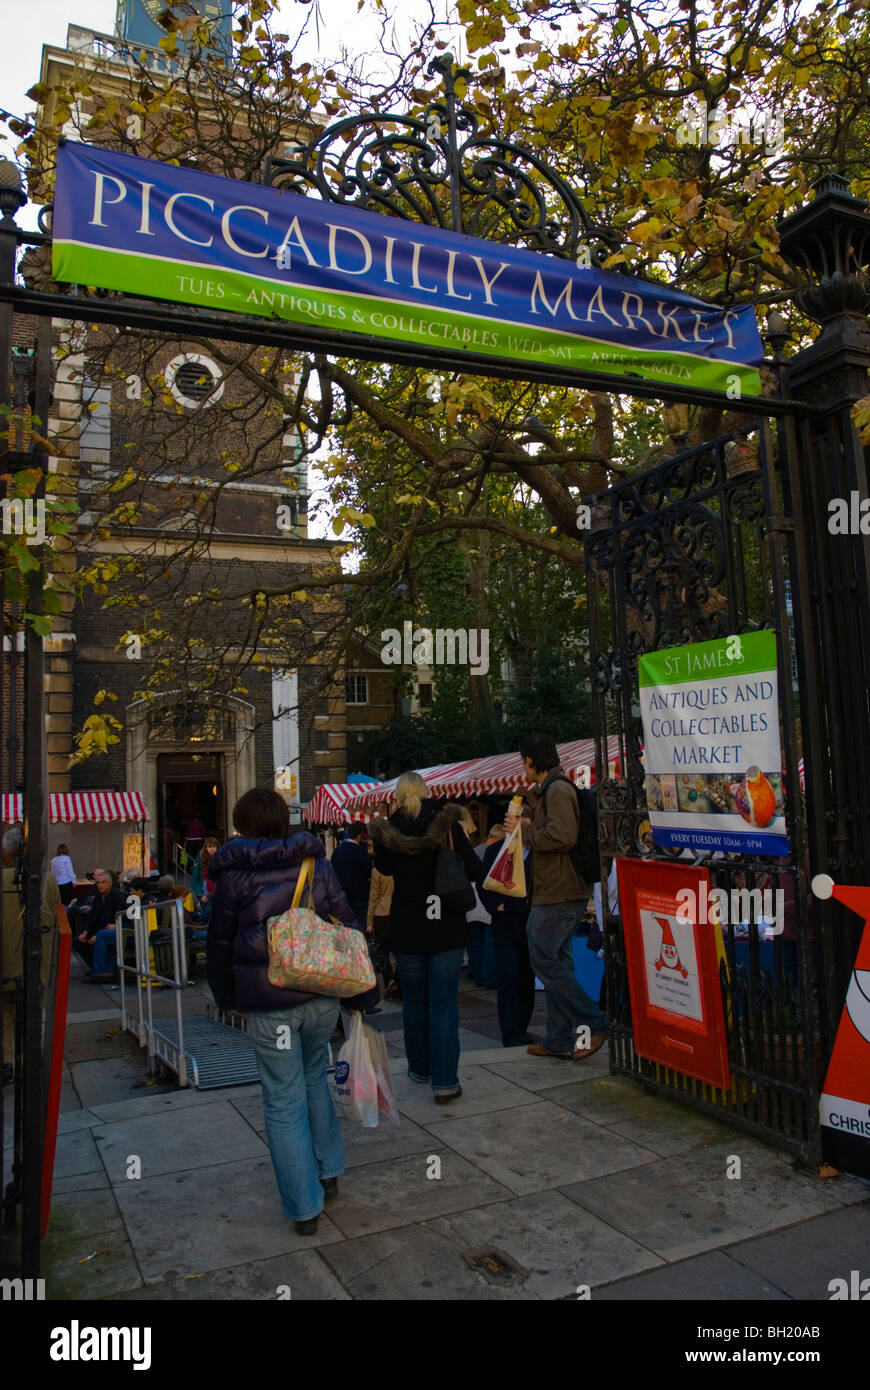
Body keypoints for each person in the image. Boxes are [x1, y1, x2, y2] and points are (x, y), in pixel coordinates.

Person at [207, 786, 362, 1235]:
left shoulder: (234, 876)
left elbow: (219, 944)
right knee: (315, 1076)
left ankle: (304, 1206)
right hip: (319, 995)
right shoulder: (317, 864)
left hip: (270, 999)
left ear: (243, 825)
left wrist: (226, 996)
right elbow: (346, 922)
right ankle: (329, 1170)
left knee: (281, 1097)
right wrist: (361, 991)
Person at [367, 772, 482, 1104]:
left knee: (414, 1001)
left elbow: (384, 869)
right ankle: (445, 1082)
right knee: (443, 1003)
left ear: (400, 797)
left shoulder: (390, 829)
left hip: (408, 924)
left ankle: (419, 1070)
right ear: (428, 792)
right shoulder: (447, 824)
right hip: (445, 923)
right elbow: (475, 870)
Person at [505, 733, 609, 1061]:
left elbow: (562, 835)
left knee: (542, 957)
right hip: (557, 889)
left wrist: (524, 832)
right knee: (558, 961)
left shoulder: (560, 789)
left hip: (560, 890)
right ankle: (559, 1039)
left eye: (524, 763)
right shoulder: (550, 789)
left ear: (531, 761)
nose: (523, 769)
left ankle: (594, 1021)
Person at [479, 823, 536, 1047]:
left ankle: (522, 1027)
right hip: (505, 922)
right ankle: (511, 1034)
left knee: (526, 977)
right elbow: (484, 884)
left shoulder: (535, 851)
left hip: (529, 921)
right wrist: (497, 906)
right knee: (509, 977)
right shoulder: (496, 850)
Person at [68, 868, 127, 981]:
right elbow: (91, 917)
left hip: (118, 930)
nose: (100, 885)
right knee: (78, 941)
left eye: (103, 883)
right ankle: (100, 967)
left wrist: (116, 925)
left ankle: (99, 971)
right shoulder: (98, 898)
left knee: (101, 935)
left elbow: (128, 917)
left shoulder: (118, 896)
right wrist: (86, 931)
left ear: (110, 883)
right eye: (98, 883)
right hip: (100, 929)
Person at [462, 808, 498, 989]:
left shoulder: (475, 850)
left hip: (471, 902)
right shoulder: (495, 853)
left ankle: (475, 972)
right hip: (485, 902)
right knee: (488, 941)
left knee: (475, 941)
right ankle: (488, 977)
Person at [330, 823, 372, 928]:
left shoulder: (337, 851)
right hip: (359, 897)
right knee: (359, 926)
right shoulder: (360, 852)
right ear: (359, 835)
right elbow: (369, 872)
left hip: (341, 895)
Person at [190, 837, 220, 925]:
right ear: (206, 847)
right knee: (210, 911)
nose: (212, 849)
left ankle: (199, 929)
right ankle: (196, 926)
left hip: (217, 892)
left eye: (214, 846)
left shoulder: (221, 859)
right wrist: (200, 894)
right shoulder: (200, 860)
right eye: (210, 846)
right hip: (204, 891)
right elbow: (194, 880)